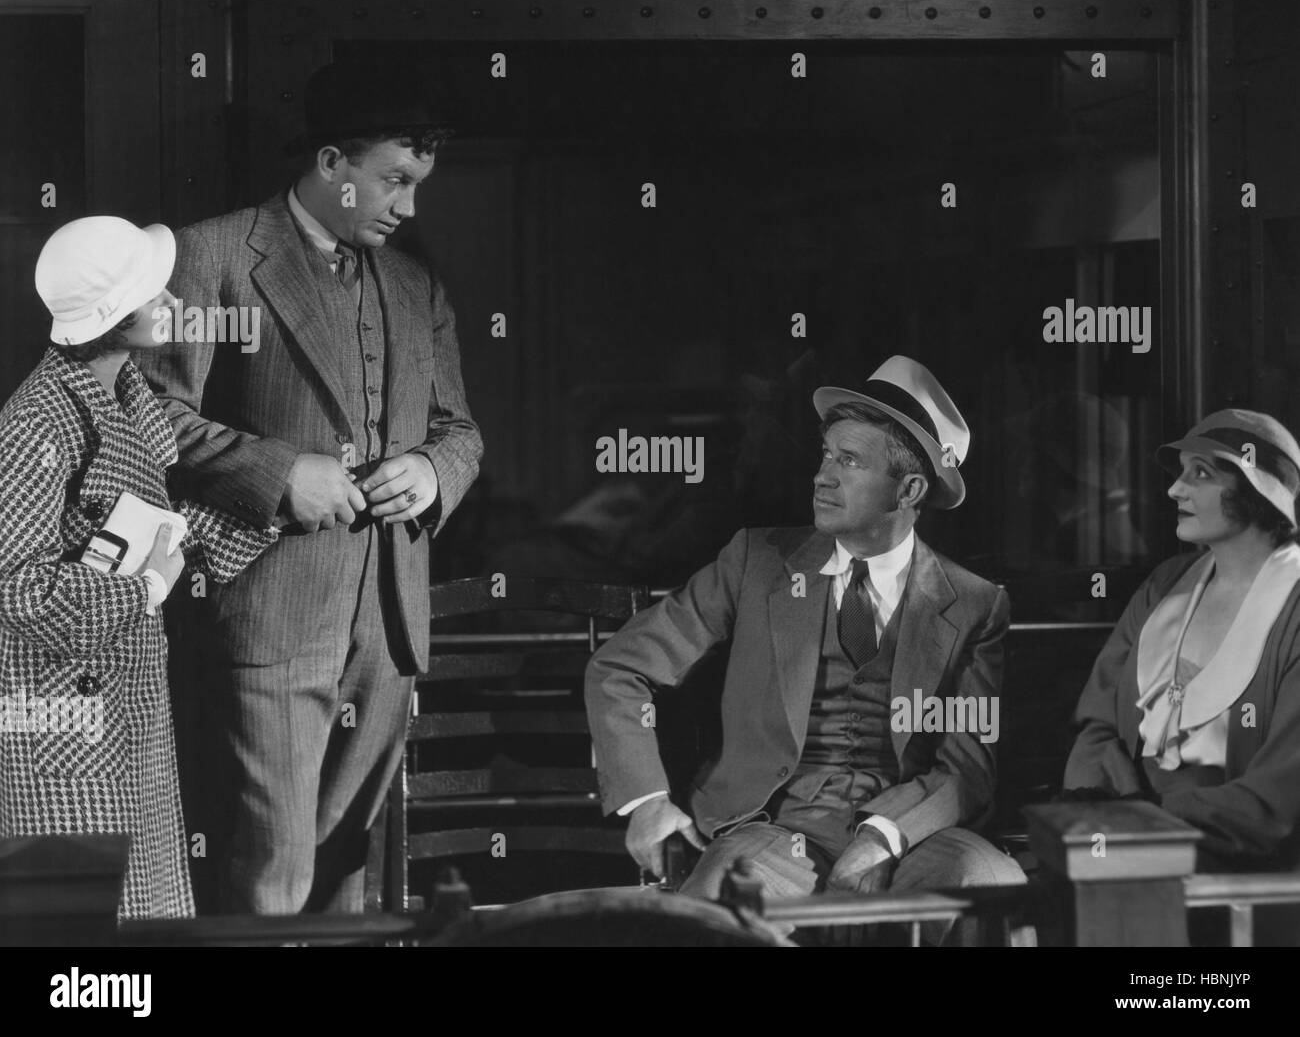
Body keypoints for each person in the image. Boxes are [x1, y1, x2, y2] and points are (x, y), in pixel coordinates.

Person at [137, 62, 482, 914]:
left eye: (418, 184)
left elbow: (462, 430)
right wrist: (280, 472)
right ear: (332, 164)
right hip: (267, 616)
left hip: (388, 625)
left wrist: (434, 470)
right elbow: (146, 416)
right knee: (271, 873)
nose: (409, 207)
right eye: (394, 182)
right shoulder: (211, 255)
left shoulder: (415, 283)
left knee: (346, 882)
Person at [585, 356, 1024, 941]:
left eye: (849, 460)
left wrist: (881, 838)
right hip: (774, 831)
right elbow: (621, 666)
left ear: (910, 488)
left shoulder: (973, 605)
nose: (823, 475)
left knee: (987, 884)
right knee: (718, 907)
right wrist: (646, 800)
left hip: (914, 833)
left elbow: (967, 768)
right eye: (826, 453)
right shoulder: (756, 563)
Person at [0, 216, 276, 919]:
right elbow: (21, 590)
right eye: (157, 293)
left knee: (136, 916)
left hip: (124, 702)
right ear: (115, 317)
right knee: (72, 928)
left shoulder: (121, 395)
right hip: (58, 713)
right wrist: (148, 584)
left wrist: (280, 504)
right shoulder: (36, 424)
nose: (175, 303)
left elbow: (154, 520)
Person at [1064, 409, 1300, 882]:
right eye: (1182, 471)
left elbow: (1280, 794)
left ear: (1256, 492)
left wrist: (1154, 821)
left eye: (1201, 474)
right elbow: (1098, 723)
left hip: (1240, 871)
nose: (1175, 488)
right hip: (1121, 843)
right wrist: (1107, 814)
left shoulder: (1293, 610)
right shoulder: (1163, 586)